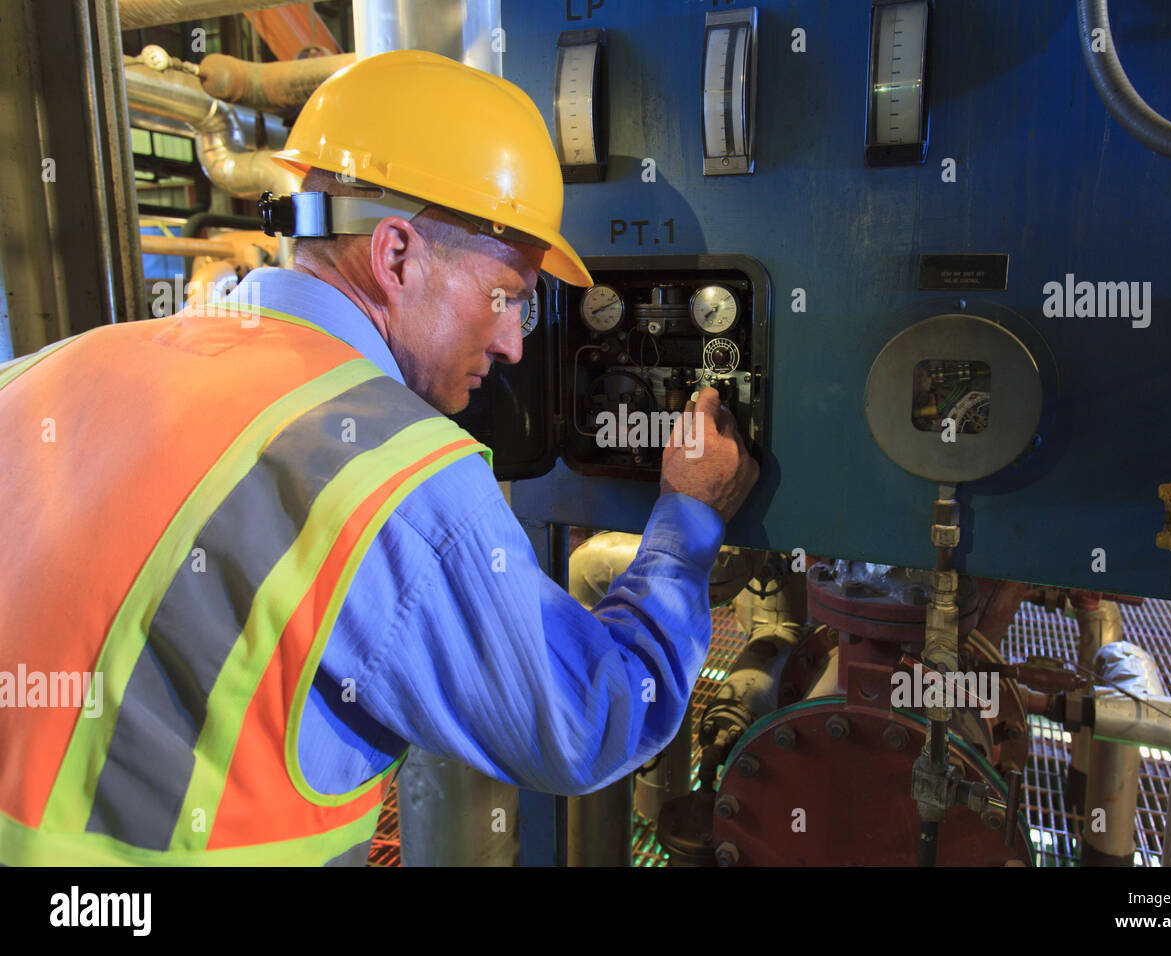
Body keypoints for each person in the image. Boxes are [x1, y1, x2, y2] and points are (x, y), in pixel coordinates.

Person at [0, 49, 757, 865]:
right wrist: (687, 521)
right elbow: (588, 722)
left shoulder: (42, 374)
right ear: (396, 255)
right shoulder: (389, 470)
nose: (511, 343)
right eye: (508, 294)